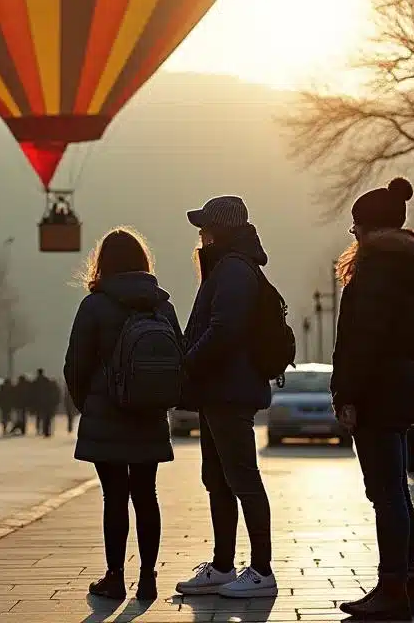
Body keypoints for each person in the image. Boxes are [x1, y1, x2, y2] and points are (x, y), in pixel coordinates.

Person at [332, 178, 414, 619]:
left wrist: (347, 395)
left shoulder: (376, 271)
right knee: (396, 490)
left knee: (386, 493)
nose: (354, 235)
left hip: (375, 389)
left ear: (367, 228)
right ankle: (403, 584)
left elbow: (363, 340)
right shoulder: (408, 269)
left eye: (355, 227)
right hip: (399, 384)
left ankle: (393, 587)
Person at [64, 228, 184, 602]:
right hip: (150, 414)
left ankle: (114, 577)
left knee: (114, 497)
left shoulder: (95, 306)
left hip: (107, 414)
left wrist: (89, 405)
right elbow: (178, 358)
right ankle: (148, 578)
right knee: (146, 494)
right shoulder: (161, 306)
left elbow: (75, 365)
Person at [174, 196, 278, 600]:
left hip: (229, 390)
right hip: (217, 389)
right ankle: (222, 567)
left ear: (221, 230)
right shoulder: (228, 266)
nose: (201, 233)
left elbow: (224, 330)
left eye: (206, 226)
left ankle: (262, 570)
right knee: (217, 479)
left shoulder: (233, 269)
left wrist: (187, 364)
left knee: (242, 478)